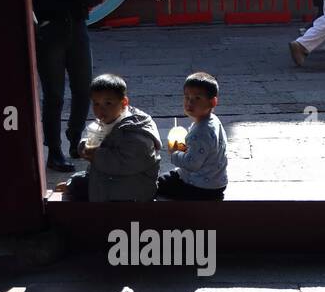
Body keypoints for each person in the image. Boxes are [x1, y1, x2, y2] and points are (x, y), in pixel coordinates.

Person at [29, 0, 104, 172]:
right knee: (54, 95)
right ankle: (55, 150)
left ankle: (75, 140)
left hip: (78, 30)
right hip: (49, 33)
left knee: (84, 89)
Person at [59, 74, 162, 202]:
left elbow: (123, 163)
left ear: (124, 103)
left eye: (108, 103)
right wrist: (84, 146)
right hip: (111, 178)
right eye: (96, 104)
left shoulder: (136, 132)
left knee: (79, 187)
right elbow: (90, 136)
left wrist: (95, 155)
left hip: (133, 189)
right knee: (77, 182)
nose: (101, 110)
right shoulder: (106, 120)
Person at [156, 72, 228, 201]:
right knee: (166, 178)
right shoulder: (212, 120)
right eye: (187, 97)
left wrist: (175, 153)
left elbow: (192, 164)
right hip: (215, 181)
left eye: (197, 98)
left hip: (201, 188)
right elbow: (201, 151)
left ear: (213, 102)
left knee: (158, 185)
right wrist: (183, 147)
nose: (190, 102)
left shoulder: (201, 131)